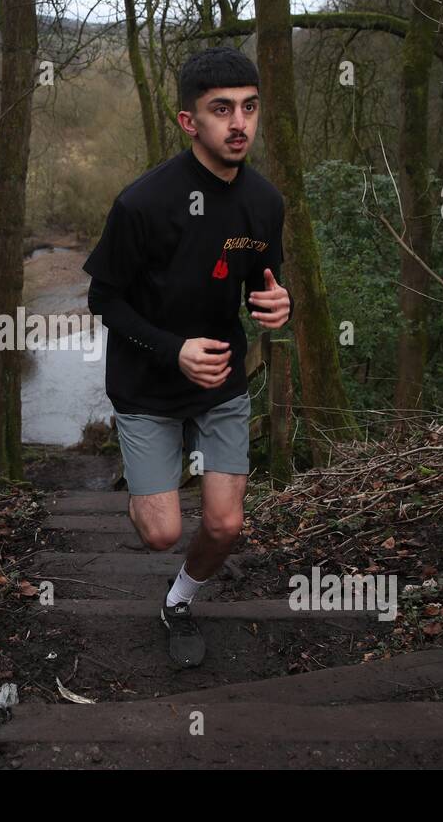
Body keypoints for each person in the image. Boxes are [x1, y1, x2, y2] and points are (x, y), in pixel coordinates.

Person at [83, 45, 293, 667]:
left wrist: (279, 306)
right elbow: (103, 298)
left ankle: (178, 601)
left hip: (222, 380)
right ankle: (145, 488)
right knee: (162, 532)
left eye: (250, 108)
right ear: (188, 121)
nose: (239, 124)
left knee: (226, 526)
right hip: (146, 381)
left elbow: (263, 286)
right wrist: (173, 349)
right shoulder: (143, 203)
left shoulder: (265, 202)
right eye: (221, 109)